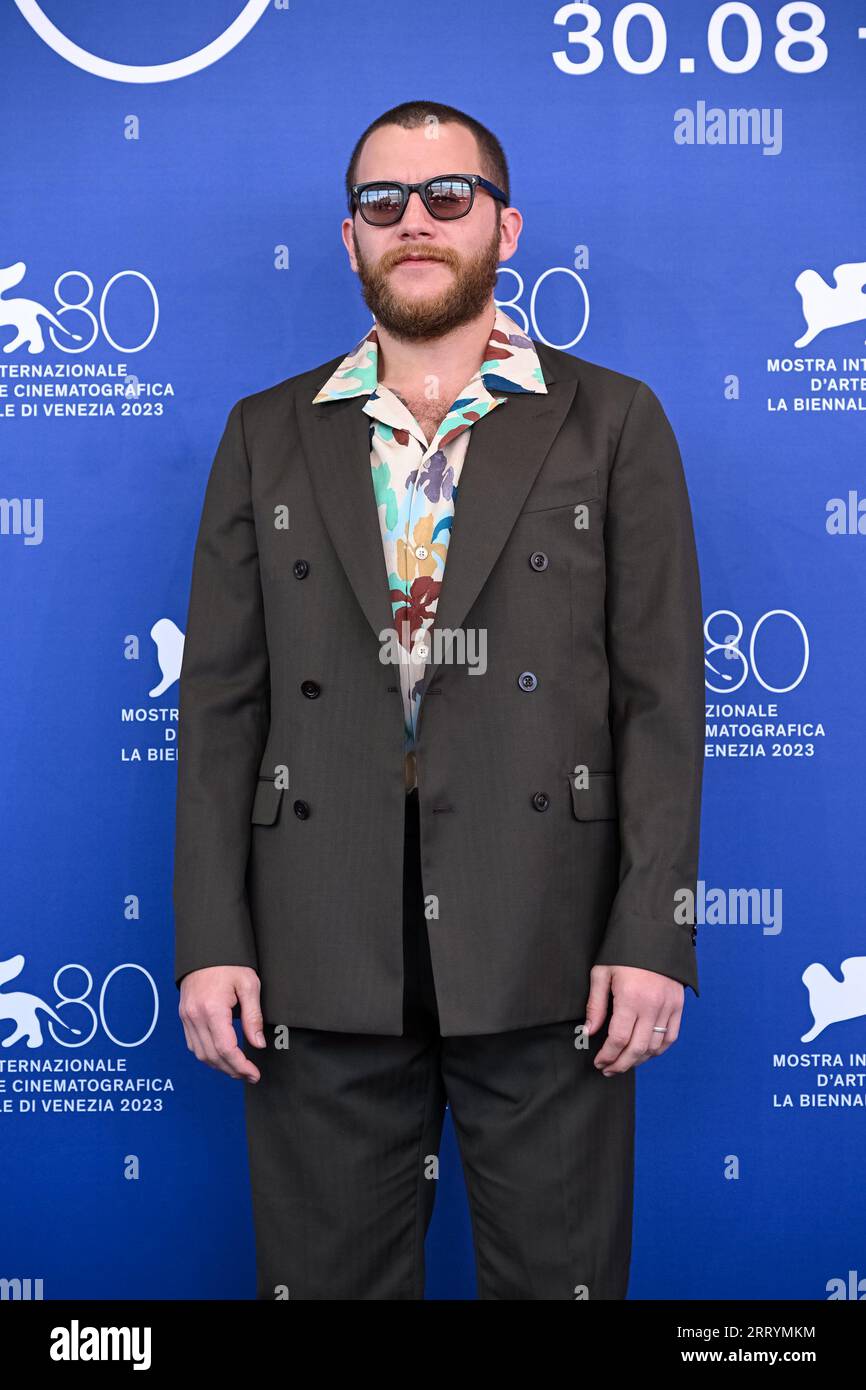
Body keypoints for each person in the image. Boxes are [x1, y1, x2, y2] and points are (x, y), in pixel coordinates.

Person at [173, 100, 705, 1301]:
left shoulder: (612, 422)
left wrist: (651, 932)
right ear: (350, 240)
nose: (415, 222)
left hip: (551, 947)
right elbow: (216, 711)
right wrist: (212, 940)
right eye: (383, 204)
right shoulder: (265, 435)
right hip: (315, 944)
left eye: (447, 197)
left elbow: (663, 700)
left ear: (504, 228)